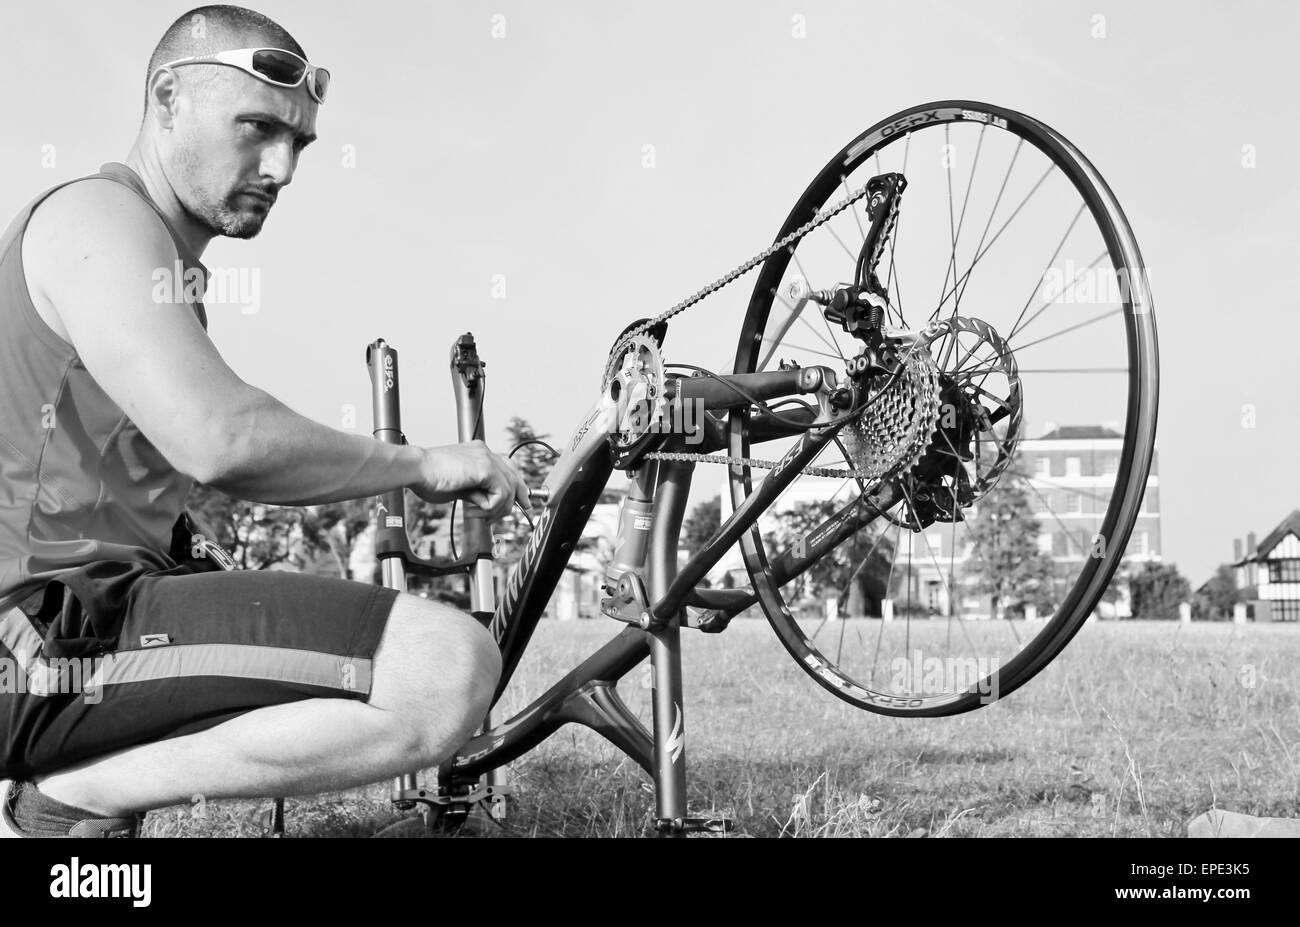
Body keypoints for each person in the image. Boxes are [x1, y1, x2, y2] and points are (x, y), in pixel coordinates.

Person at [0, 5, 529, 837]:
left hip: (84, 613)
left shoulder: (164, 272)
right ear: (166, 98)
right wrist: (425, 465)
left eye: (300, 144)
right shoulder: (97, 221)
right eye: (256, 128)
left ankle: (81, 810)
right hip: (39, 635)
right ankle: (78, 792)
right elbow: (222, 437)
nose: (281, 167)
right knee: (446, 665)